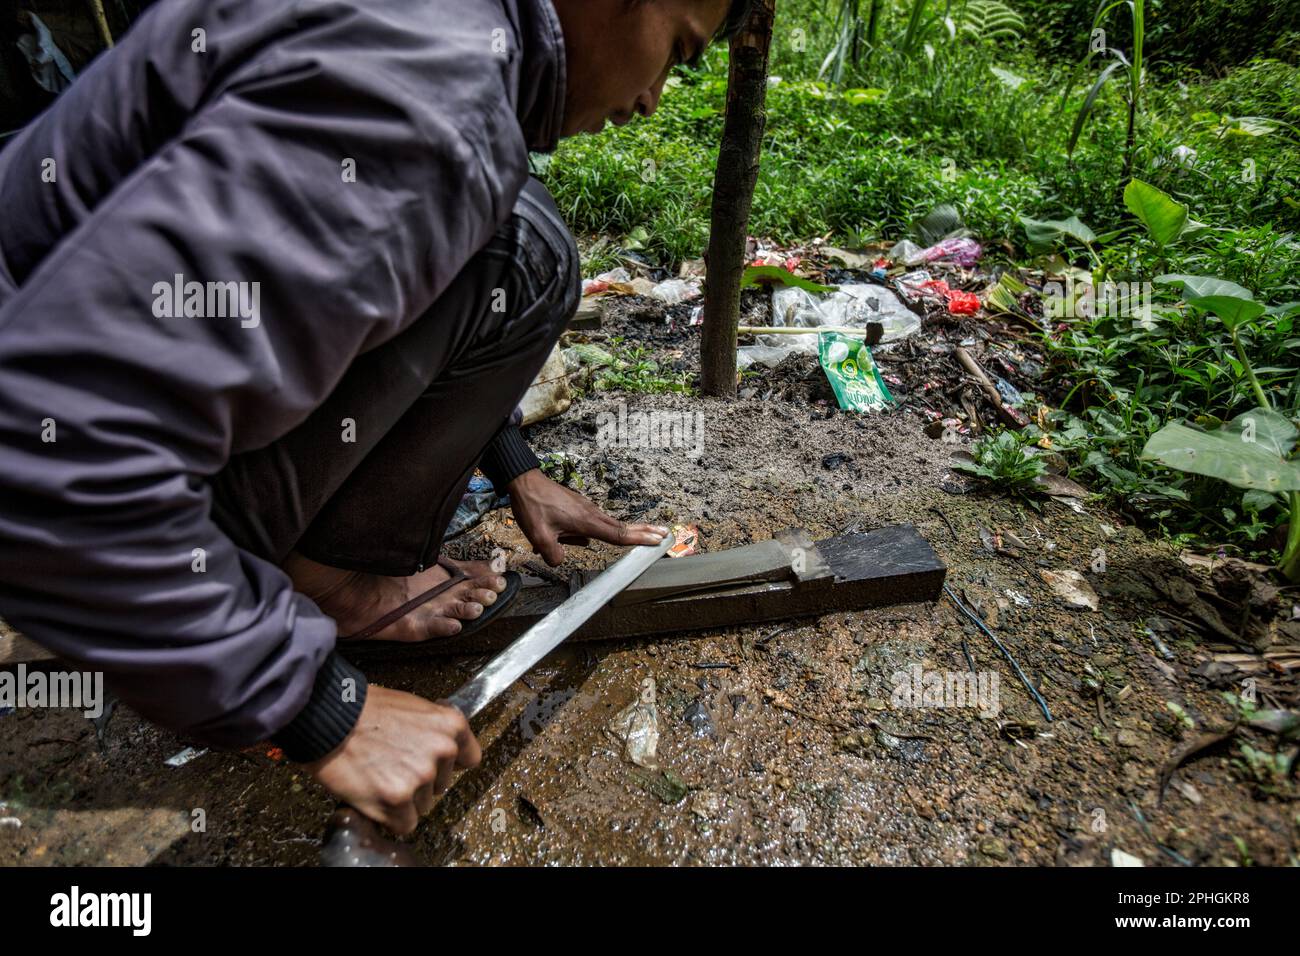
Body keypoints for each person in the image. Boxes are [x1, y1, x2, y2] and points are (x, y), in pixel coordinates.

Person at [0, 0, 750, 834]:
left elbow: (352, 290)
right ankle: (314, 582)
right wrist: (315, 703)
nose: (652, 96)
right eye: (677, 51)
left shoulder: (433, 39)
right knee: (523, 249)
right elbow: (47, 446)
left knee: (516, 242)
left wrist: (516, 468)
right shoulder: (429, 99)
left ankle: (291, 560)